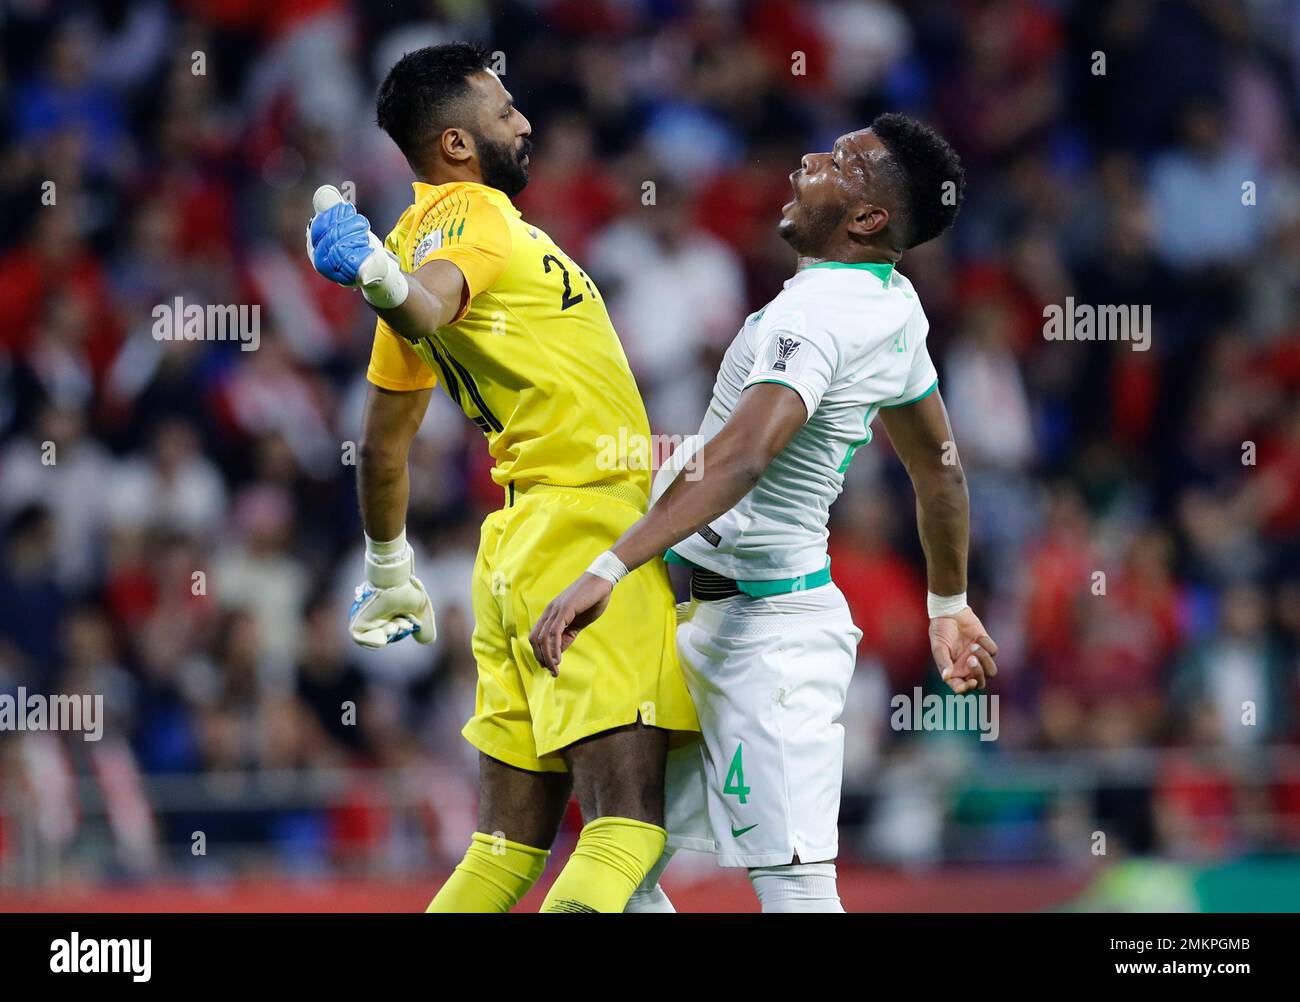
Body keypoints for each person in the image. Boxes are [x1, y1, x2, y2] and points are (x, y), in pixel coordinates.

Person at [530, 114, 998, 912]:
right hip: (693, 623)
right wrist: (948, 605)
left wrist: (610, 565)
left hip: (767, 645)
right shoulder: (892, 303)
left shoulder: (810, 318)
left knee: (795, 893)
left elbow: (742, 457)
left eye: (843, 162)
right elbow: (940, 472)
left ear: (868, 218)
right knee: (623, 849)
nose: (811, 157)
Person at [306, 42, 698, 913]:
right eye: (505, 109)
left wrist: (386, 572)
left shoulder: (411, 237)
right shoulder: (473, 219)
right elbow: (430, 301)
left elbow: (382, 445)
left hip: (514, 551)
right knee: (626, 827)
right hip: (589, 531)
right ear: (456, 143)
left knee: (502, 854)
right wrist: (379, 281)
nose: (524, 122)